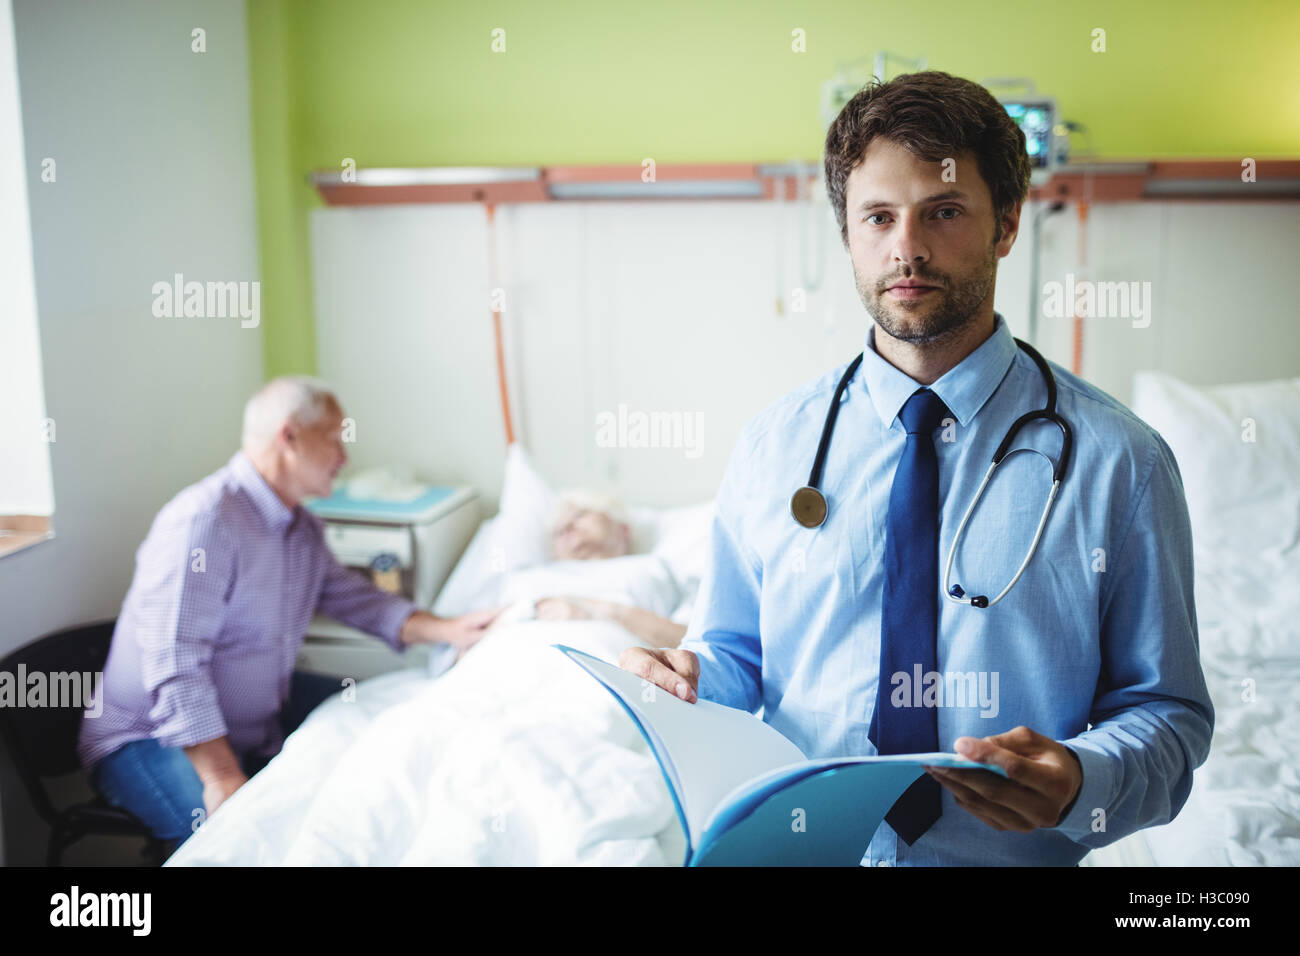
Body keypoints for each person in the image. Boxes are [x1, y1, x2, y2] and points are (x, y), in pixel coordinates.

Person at [619, 70, 1213, 866]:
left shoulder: (1122, 464)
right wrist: (685, 678)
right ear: (849, 234)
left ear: (1006, 224)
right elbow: (736, 658)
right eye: (878, 217)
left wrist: (1082, 777)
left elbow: (1167, 715)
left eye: (942, 212)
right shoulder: (772, 448)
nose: (907, 247)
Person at [76, 377, 498, 851]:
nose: (345, 457)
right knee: (236, 845)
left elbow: (354, 600)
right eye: (334, 439)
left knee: (384, 720)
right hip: (153, 738)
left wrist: (450, 629)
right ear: (289, 436)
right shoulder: (205, 521)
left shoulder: (301, 528)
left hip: (249, 724)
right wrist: (220, 775)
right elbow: (173, 661)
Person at [517, 490, 688, 649]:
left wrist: (603, 611)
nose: (566, 526)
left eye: (579, 514)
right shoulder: (529, 577)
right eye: (557, 532)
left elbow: (692, 644)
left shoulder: (650, 569)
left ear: (623, 529)